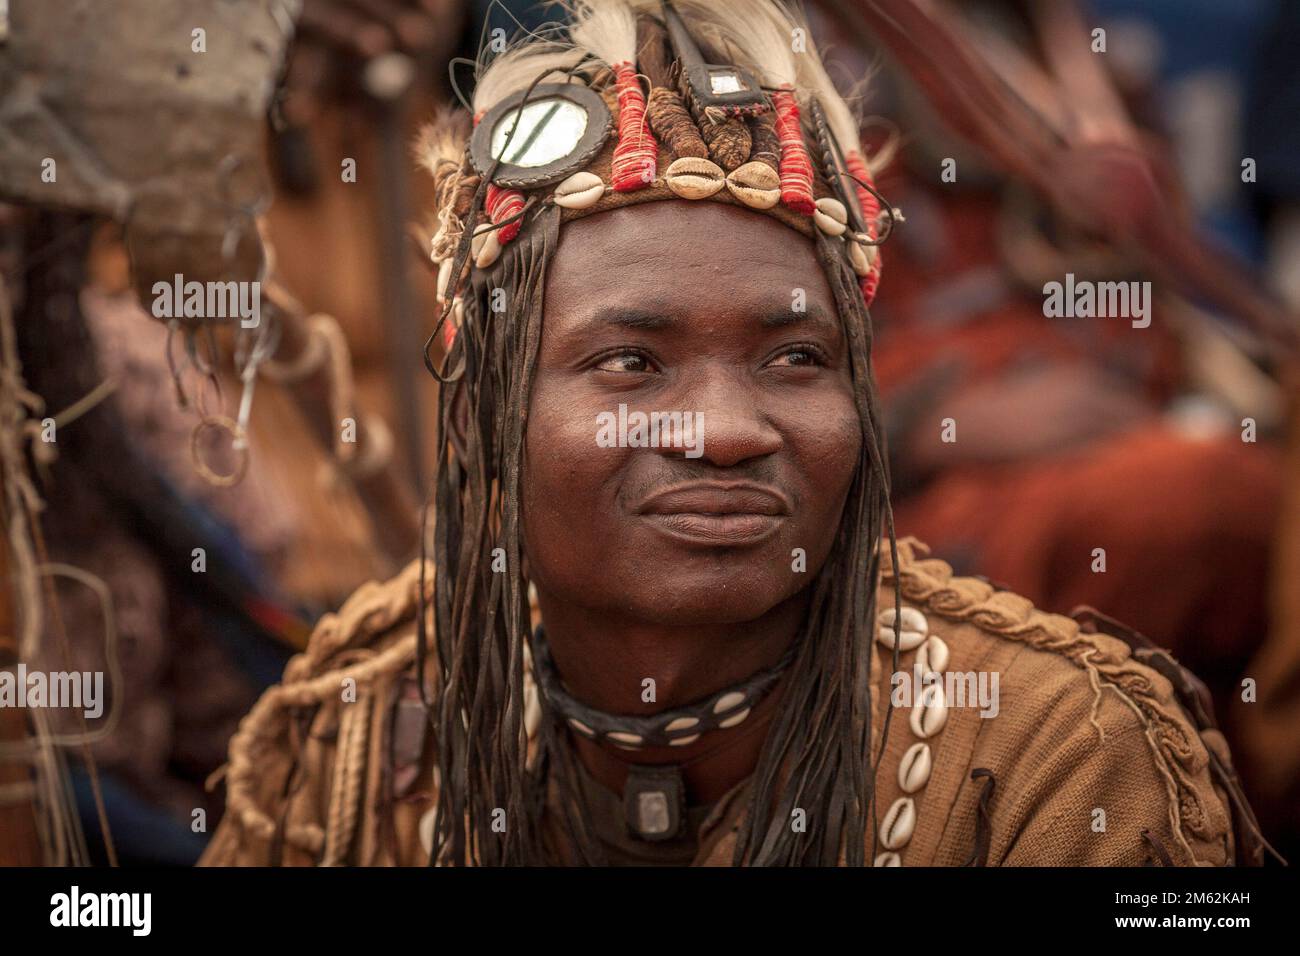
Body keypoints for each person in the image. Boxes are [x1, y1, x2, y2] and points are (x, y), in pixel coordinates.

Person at [200, 0, 1262, 867]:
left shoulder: (1059, 759)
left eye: (794, 358)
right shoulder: (346, 741)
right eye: (631, 362)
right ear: (483, 407)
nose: (721, 430)